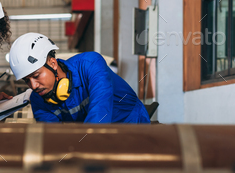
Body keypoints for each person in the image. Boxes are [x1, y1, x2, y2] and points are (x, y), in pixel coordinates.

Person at [8, 33, 150, 124]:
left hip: (132, 124)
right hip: (95, 141)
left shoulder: (91, 65)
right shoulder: (38, 99)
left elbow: (100, 112)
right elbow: (53, 137)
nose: (33, 85)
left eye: (36, 76)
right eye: (26, 80)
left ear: (52, 63)